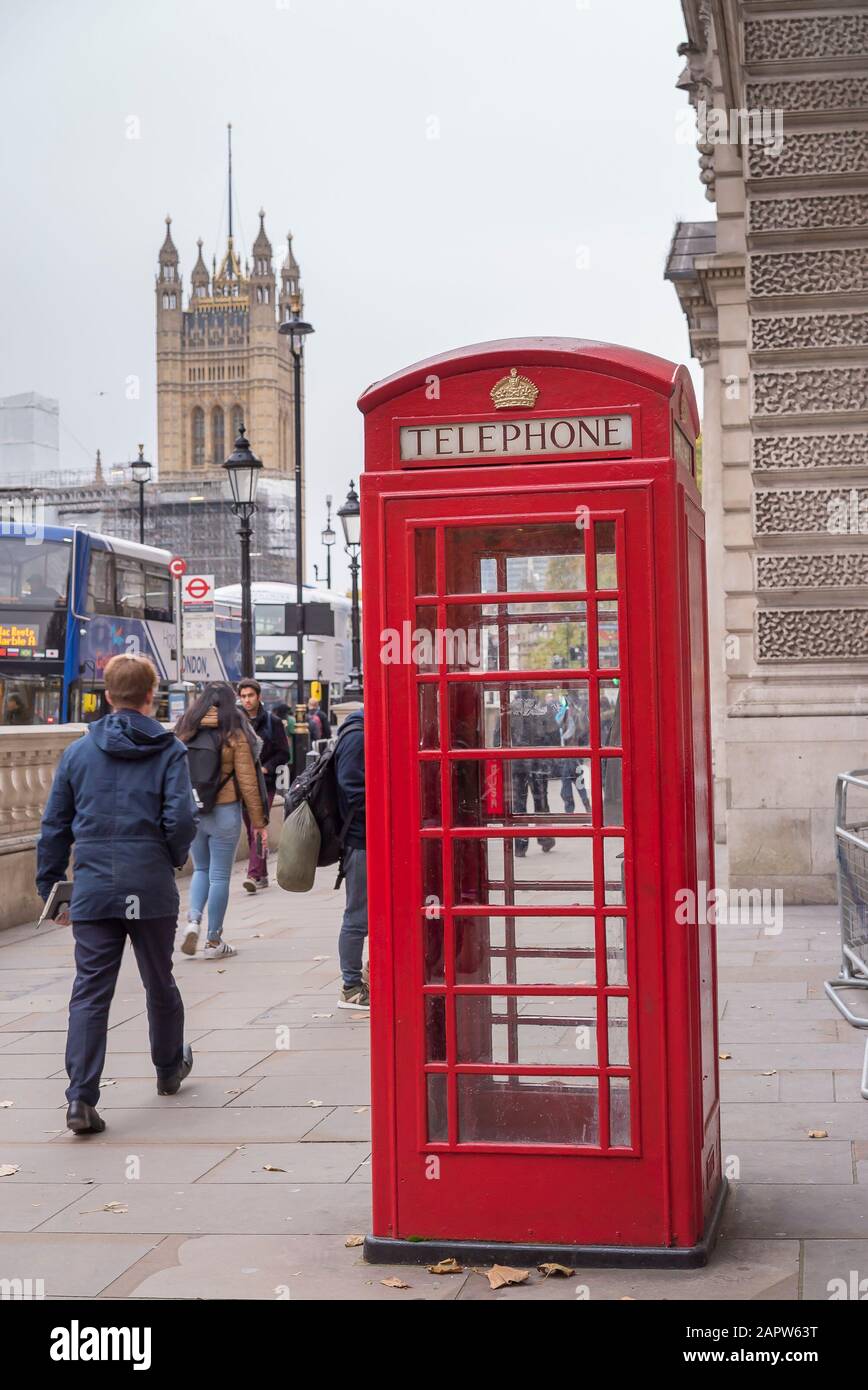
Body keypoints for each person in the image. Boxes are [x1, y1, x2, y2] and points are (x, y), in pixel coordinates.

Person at [36, 653, 198, 1136]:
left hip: (92, 888)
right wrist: (167, 857)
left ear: (107, 695)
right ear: (152, 695)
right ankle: (169, 1069)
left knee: (89, 992)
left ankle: (81, 1100)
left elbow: (54, 827)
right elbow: (182, 821)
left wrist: (51, 888)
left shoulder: (78, 752)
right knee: (158, 980)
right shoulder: (170, 752)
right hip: (147, 885)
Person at [175, 682, 268, 958]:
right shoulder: (234, 732)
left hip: (194, 810)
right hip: (225, 812)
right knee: (219, 876)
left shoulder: (185, 728)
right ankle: (214, 940)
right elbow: (248, 781)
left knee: (200, 870)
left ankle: (193, 921)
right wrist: (259, 821)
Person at [237, 679, 290, 891]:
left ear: (258, 697)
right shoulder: (237, 721)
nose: (247, 700)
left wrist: (266, 768)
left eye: (250, 695)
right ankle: (263, 874)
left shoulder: (272, 722)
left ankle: (253, 874)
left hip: (263, 784)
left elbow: (284, 753)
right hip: (242, 783)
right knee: (252, 830)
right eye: (243, 696)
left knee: (257, 826)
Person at [334, 706, 368, 1009]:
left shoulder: (367, 730)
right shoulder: (357, 736)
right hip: (361, 840)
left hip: (374, 839)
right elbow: (352, 787)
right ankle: (351, 986)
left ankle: (370, 975)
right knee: (358, 916)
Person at [508, 692, 556, 857]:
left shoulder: (509, 708)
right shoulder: (541, 707)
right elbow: (552, 734)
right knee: (541, 801)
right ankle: (546, 839)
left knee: (519, 805)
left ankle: (520, 846)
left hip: (517, 763)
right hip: (538, 763)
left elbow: (498, 737)